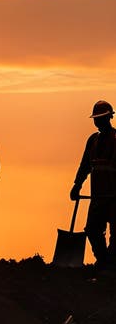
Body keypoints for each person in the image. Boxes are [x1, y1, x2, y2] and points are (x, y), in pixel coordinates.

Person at [70, 100, 116, 270]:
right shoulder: (93, 141)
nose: (98, 121)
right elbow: (85, 166)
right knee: (92, 229)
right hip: (98, 197)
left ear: (109, 118)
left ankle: (111, 265)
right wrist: (77, 185)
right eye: (96, 118)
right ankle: (104, 261)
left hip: (114, 197)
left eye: (101, 118)